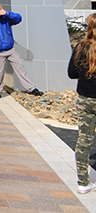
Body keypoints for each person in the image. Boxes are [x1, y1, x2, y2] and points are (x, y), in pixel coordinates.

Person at [0, 2, 44, 99]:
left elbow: (18, 19)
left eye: (1, 9)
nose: (1, 12)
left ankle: (31, 88)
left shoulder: (5, 16)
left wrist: (7, 13)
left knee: (20, 68)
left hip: (10, 49)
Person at [68, 13, 96, 194]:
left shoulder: (80, 47)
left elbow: (71, 73)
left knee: (84, 141)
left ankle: (83, 183)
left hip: (85, 99)